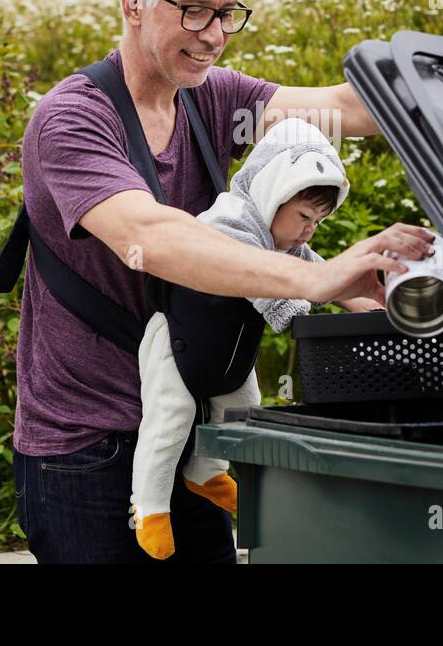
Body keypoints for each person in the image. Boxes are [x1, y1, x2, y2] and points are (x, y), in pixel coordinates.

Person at [11, 0, 443, 563]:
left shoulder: (209, 96)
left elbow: (342, 107)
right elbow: (154, 240)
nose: (215, 34)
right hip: (87, 449)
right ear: (134, 3)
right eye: (195, 10)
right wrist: (317, 277)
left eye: (228, 12)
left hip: (195, 435)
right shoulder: (71, 120)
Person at [131, 117, 367, 559]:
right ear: (272, 191)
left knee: (244, 410)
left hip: (227, 351)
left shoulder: (284, 241)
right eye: (303, 216)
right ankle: (149, 506)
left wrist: (354, 297)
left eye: (318, 220)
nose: (309, 230)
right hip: (177, 339)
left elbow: (314, 270)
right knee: (171, 416)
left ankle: (205, 471)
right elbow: (261, 278)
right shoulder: (230, 219)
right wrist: (296, 312)